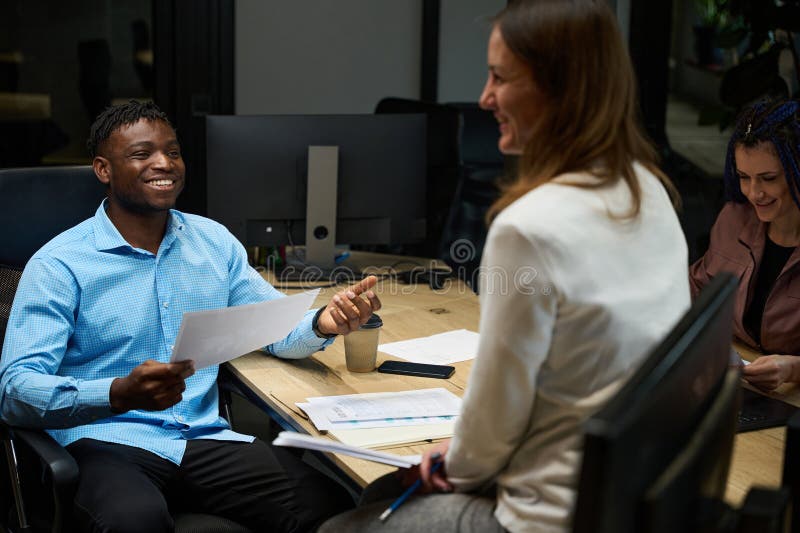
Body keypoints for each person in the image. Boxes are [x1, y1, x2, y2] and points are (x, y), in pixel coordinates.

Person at [319, 1, 689, 532]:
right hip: (624, 499)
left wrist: (459, 458)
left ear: (557, 87)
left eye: (499, 77)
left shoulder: (529, 227)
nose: (484, 98)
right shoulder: (645, 187)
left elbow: (493, 424)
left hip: (543, 513)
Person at [0, 100, 382, 533]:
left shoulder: (212, 243)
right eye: (142, 154)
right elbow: (16, 391)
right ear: (104, 170)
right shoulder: (59, 265)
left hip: (199, 437)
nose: (164, 163)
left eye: (173, 151)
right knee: (134, 521)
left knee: (327, 504)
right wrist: (117, 393)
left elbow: (273, 326)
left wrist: (323, 322)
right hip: (105, 440)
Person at [690, 96, 800, 390]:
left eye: (768, 178)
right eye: (743, 177)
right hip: (737, 386)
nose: (754, 193)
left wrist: (793, 368)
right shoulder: (735, 218)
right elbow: (696, 292)